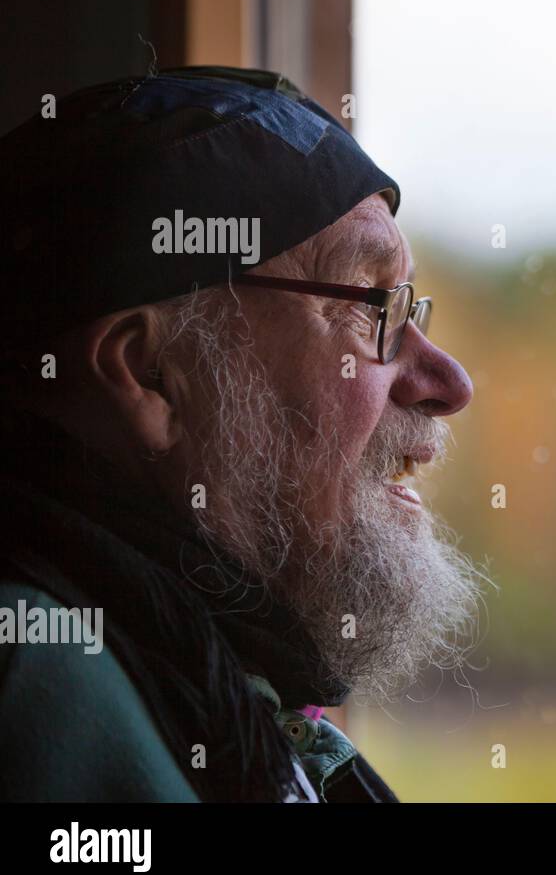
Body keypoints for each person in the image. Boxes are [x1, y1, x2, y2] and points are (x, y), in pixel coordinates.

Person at [0, 67, 486, 802]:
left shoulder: (216, 688)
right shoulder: (36, 673)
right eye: (371, 309)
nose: (450, 383)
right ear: (152, 375)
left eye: (410, 308)